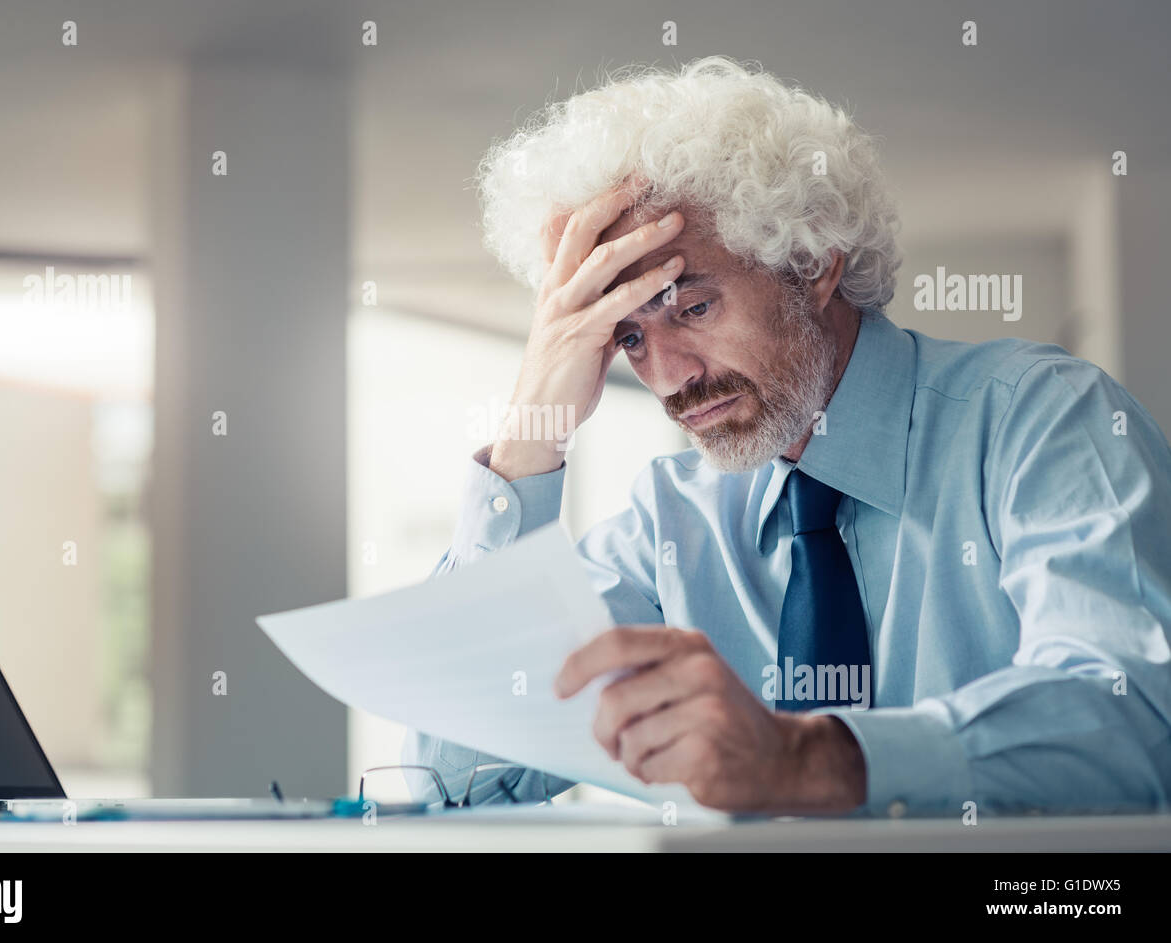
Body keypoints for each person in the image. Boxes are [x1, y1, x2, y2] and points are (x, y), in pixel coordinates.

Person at [403, 56, 1171, 817]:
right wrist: (530, 435)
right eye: (628, 338)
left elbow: (1137, 719)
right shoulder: (669, 524)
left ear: (812, 264)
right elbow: (453, 778)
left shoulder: (1044, 422)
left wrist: (805, 759)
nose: (667, 376)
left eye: (692, 309)